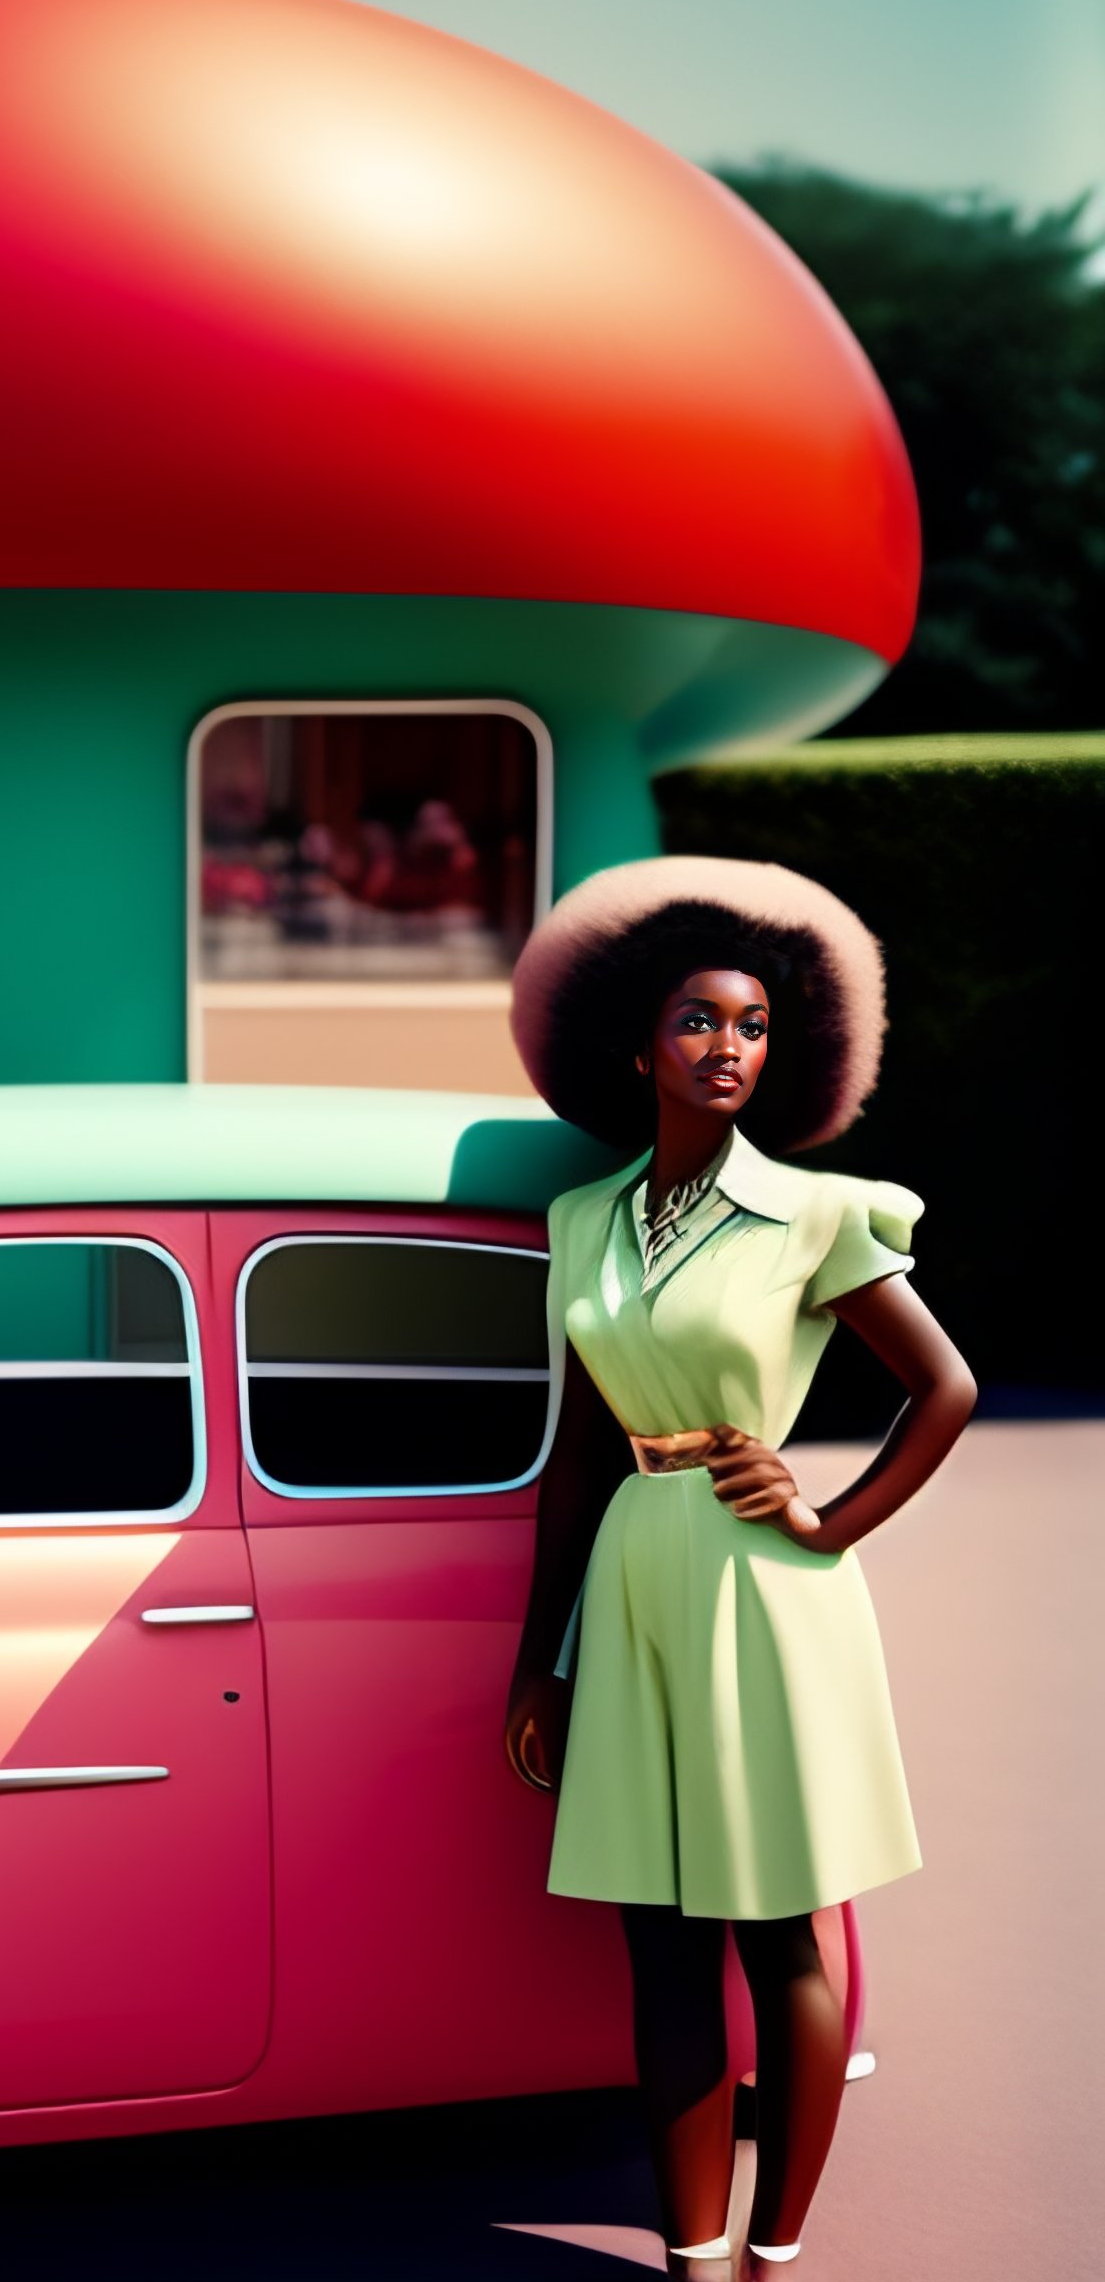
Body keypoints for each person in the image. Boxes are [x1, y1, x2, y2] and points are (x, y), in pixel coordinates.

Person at [498, 857, 976, 2282]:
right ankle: (695, 2252)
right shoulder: (582, 1222)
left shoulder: (822, 1215)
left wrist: (830, 1517)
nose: (728, 1049)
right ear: (638, 1045)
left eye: (754, 1026)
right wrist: (538, 1653)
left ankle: (779, 2252)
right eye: (700, 1022)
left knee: (780, 1934)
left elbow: (944, 1388)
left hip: (768, 1593)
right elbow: (575, 1456)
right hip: (636, 1584)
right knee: (658, 1943)